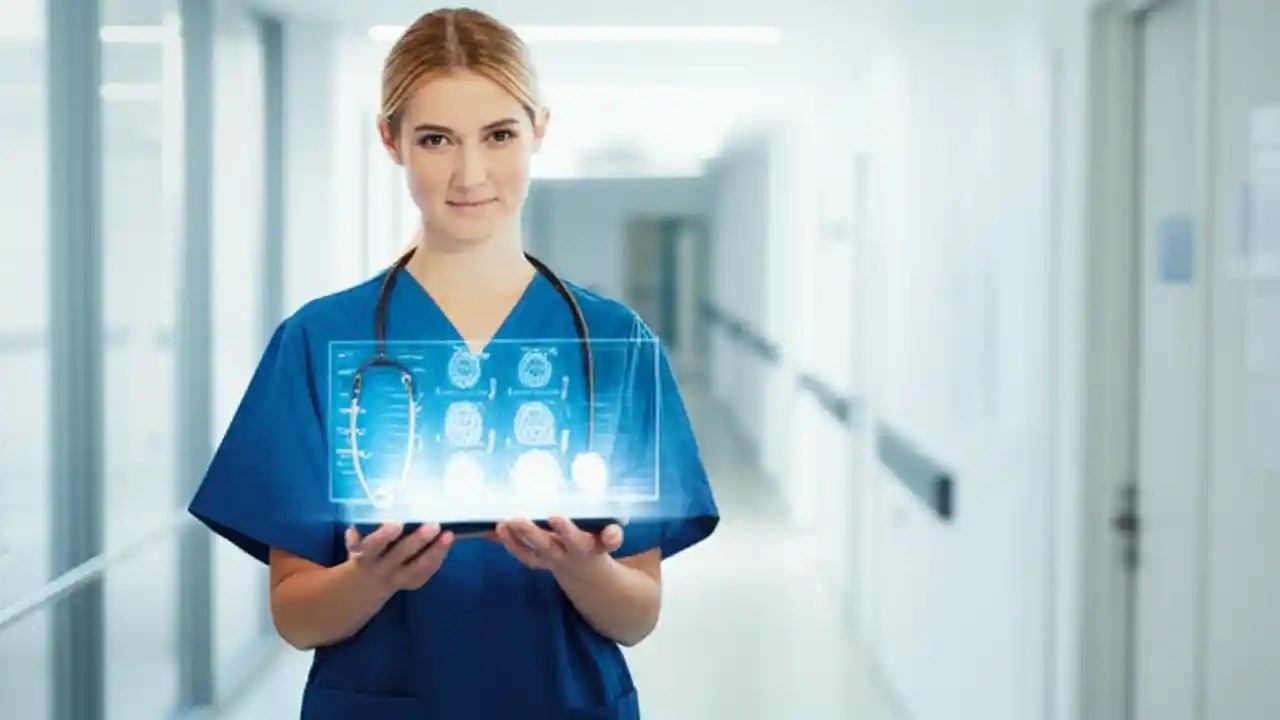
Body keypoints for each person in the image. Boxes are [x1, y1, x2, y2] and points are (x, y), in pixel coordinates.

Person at [186, 7, 719, 719]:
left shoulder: (613, 344)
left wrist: (584, 570)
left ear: (540, 131)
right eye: (436, 139)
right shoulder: (318, 340)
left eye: (499, 135)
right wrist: (373, 579)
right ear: (391, 140)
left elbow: (636, 615)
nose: (471, 173)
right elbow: (298, 617)